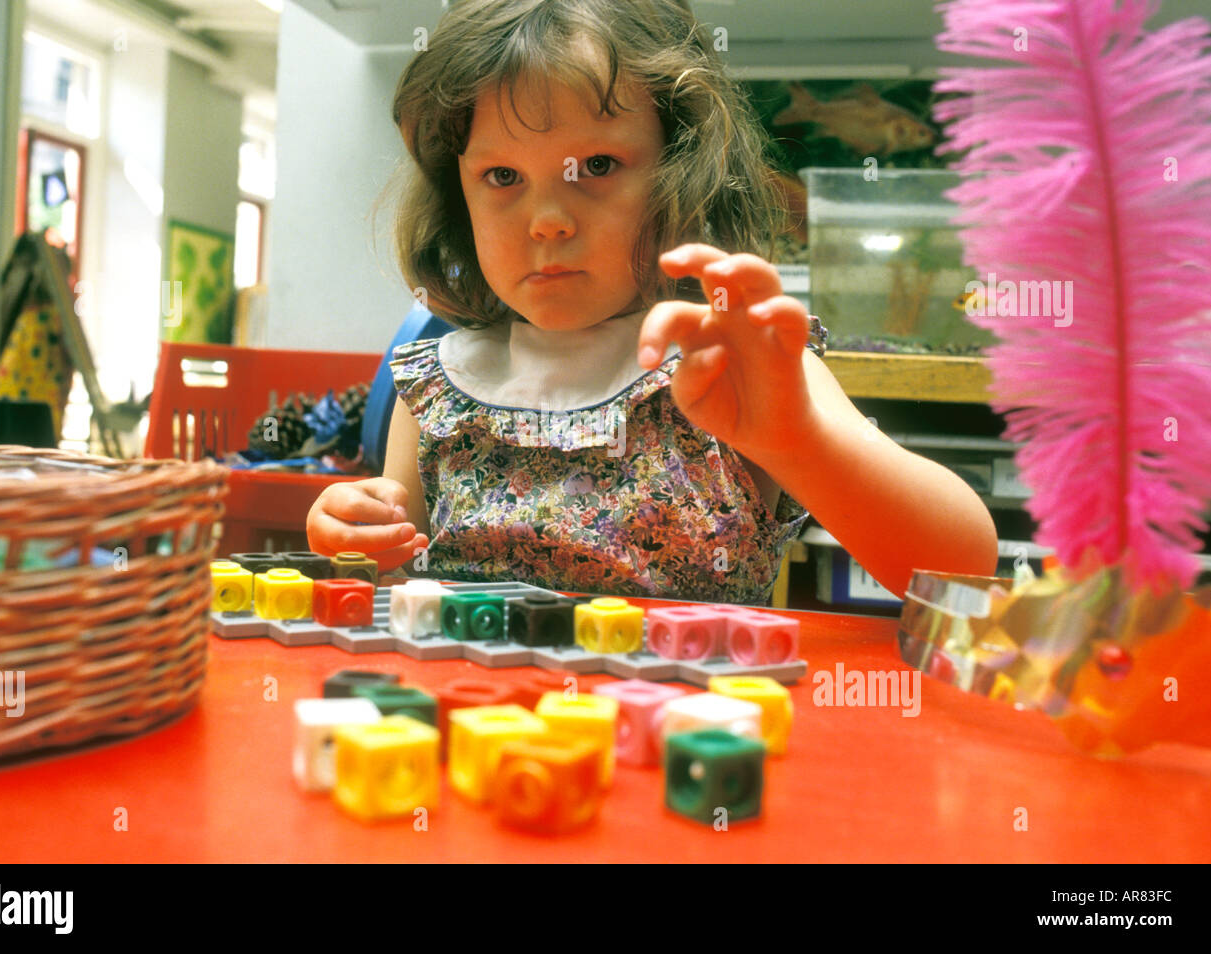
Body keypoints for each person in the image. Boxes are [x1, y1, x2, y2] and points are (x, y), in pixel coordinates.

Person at [307, 0, 999, 603]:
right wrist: (354, 538)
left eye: (598, 166)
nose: (547, 219)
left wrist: (799, 443)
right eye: (503, 175)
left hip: (694, 745)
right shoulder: (434, 391)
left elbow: (961, 569)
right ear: (457, 197)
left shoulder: (736, 365)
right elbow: (394, 586)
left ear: (681, 174)